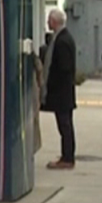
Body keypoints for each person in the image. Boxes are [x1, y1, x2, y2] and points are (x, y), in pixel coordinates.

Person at [40, 9, 76, 169]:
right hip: (64, 91)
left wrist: (51, 85)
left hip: (62, 92)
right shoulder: (62, 38)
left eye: (49, 20)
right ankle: (67, 155)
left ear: (55, 21)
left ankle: (67, 158)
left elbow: (64, 67)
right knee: (65, 125)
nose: (47, 23)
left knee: (65, 125)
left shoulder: (62, 41)